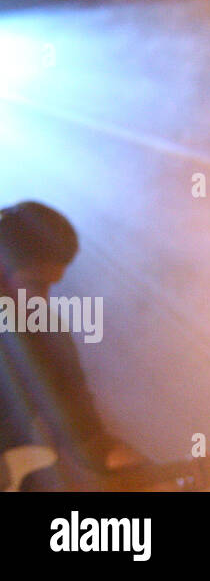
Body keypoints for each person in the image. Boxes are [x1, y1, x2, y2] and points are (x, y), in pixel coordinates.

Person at [0, 201, 143, 489]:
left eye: (51, 286)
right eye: (35, 284)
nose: (43, 299)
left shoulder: (49, 335)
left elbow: (88, 439)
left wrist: (159, 473)